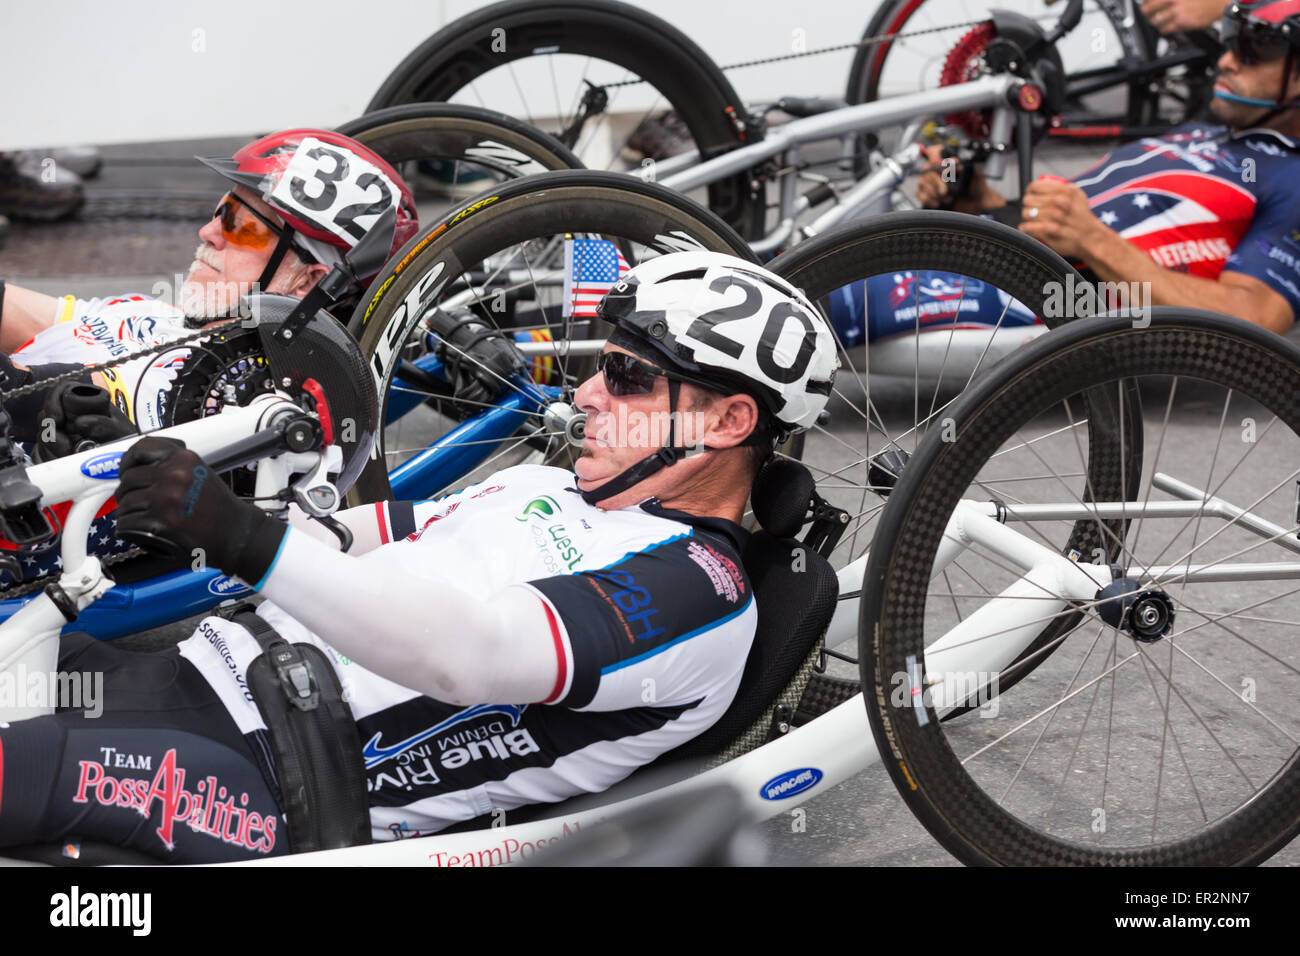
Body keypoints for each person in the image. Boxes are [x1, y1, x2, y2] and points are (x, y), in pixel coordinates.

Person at [0, 252, 840, 863]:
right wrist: (165, 482)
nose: (585, 392)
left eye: (626, 378)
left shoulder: (700, 591)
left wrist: (242, 537)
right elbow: (353, 535)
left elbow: (470, 656)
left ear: (728, 423)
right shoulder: (547, 489)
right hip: (190, 676)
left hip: (267, 779)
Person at [916, 0, 1300, 335]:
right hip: (1002, 254)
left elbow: (1256, 318)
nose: (1225, 61)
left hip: (1036, 290)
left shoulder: (1291, 177)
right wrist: (976, 199)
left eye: (1254, 51)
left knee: (859, 281)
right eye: (1231, 43)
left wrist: (1093, 239)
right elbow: (1088, 225)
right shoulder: (1209, 131)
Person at [0, 128, 418, 431]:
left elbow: (32, 394)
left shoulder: (218, 403)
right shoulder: (159, 314)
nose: (208, 232)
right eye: (221, 211)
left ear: (306, 282)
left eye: (241, 226)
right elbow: (15, 312)